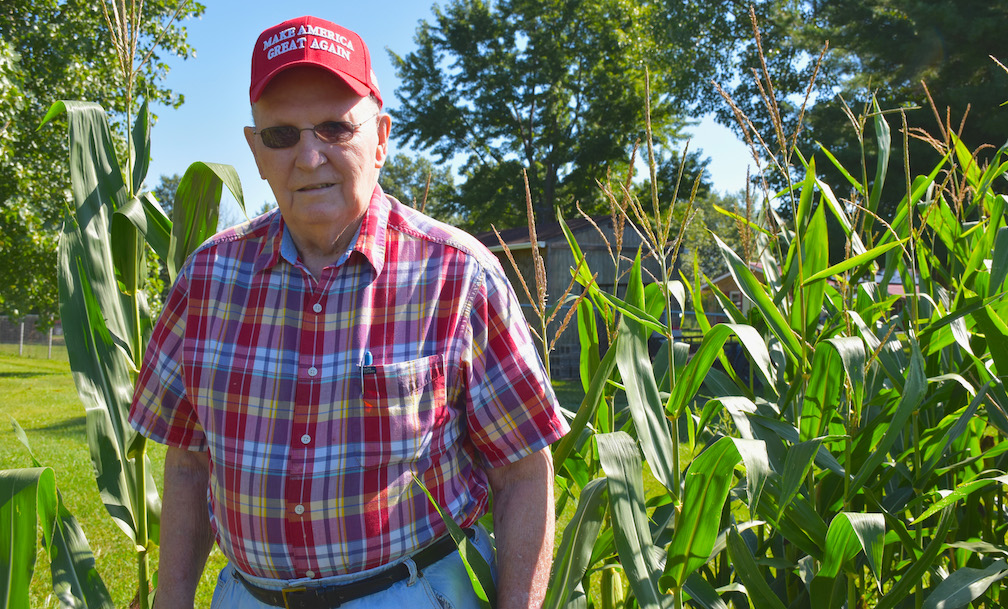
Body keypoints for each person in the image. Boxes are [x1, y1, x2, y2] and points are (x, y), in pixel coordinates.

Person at [128, 15, 569, 609]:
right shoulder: (206, 281)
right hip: (249, 597)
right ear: (256, 152)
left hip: (414, 591)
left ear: (381, 137)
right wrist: (172, 596)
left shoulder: (459, 276)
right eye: (282, 136)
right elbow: (185, 461)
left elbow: (523, 473)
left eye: (335, 128)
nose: (308, 158)